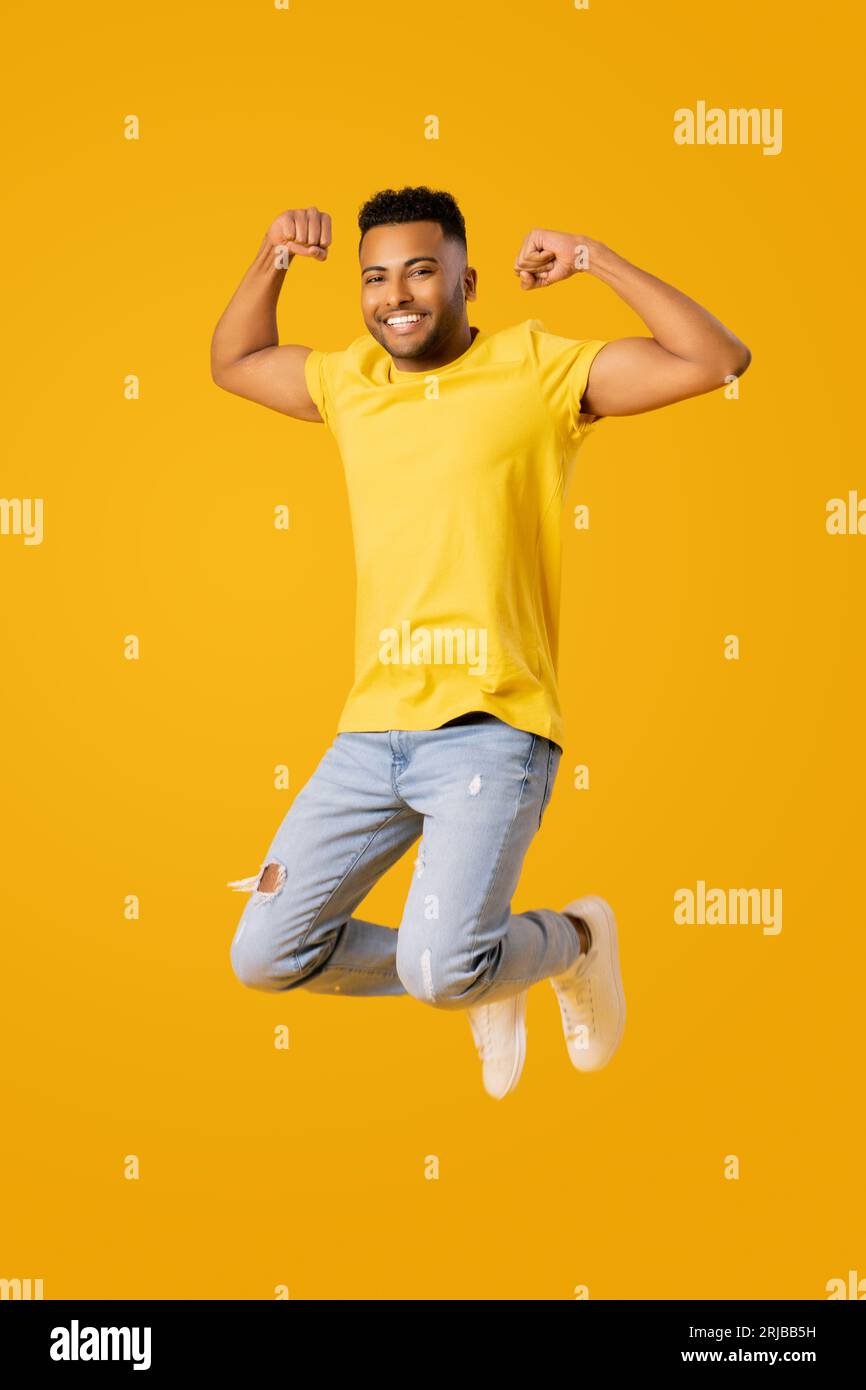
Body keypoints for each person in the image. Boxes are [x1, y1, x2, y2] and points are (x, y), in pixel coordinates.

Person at [210, 186, 751, 1099]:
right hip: (369, 735)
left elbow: (717, 358)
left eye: (421, 270)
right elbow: (237, 359)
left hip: (491, 727)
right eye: (375, 278)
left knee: (438, 971)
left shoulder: (536, 370)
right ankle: (491, 964)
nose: (397, 295)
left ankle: (569, 943)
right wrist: (272, 255)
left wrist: (594, 258)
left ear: (465, 279)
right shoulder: (351, 383)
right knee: (266, 955)